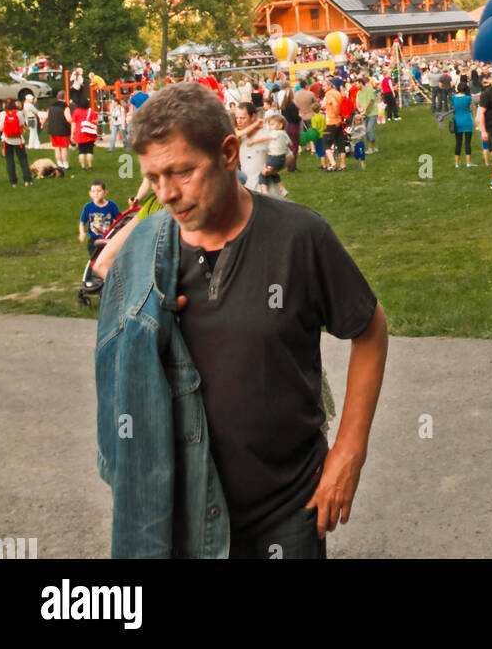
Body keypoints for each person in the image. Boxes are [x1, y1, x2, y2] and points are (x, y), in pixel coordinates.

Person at [96, 82, 388, 560]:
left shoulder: (299, 237)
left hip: (289, 506)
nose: (167, 194)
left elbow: (369, 329)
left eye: (182, 172)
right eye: (154, 177)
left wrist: (349, 452)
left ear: (229, 152)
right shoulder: (146, 253)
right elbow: (116, 363)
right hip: (180, 509)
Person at [79, 180, 121, 254]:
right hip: (94, 241)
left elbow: (120, 220)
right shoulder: (88, 207)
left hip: (108, 239)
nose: (96, 193)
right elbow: (82, 223)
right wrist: (82, 233)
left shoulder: (111, 206)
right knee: (95, 261)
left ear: (105, 192)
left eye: (99, 191)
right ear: (90, 193)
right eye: (93, 191)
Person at [0, 100, 31, 186]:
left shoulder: (2, 114)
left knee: (9, 161)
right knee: (23, 160)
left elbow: (1, 128)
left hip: (7, 140)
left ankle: (13, 182)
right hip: (18, 140)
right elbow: (22, 124)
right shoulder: (19, 113)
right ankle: (27, 180)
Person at [452, 75, 475, 169]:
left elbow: (453, 109)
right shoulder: (468, 98)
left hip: (457, 121)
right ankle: (468, 163)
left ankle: (457, 163)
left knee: (458, 143)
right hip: (467, 121)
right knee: (467, 143)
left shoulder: (453, 98)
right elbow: (471, 109)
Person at [46, 90, 72, 170]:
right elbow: (68, 119)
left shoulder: (51, 106)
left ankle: (59, 164)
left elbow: (46, 116)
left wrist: (42, 123)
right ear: (65, 97)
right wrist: (74, 124)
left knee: (57, 147)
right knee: (64, 148)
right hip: (63, 130)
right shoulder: (65, 107)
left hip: (53, 130)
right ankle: (65, 164)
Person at [71, 101, 100, 169]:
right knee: (90, 150)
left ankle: (83, 166)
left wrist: (72, 133)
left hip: (79, 133)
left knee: (81, 151)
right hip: (89, 133)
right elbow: (96, 121)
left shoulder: (76, 111)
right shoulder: (91, 111)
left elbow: (73, 123)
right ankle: (90, 166)